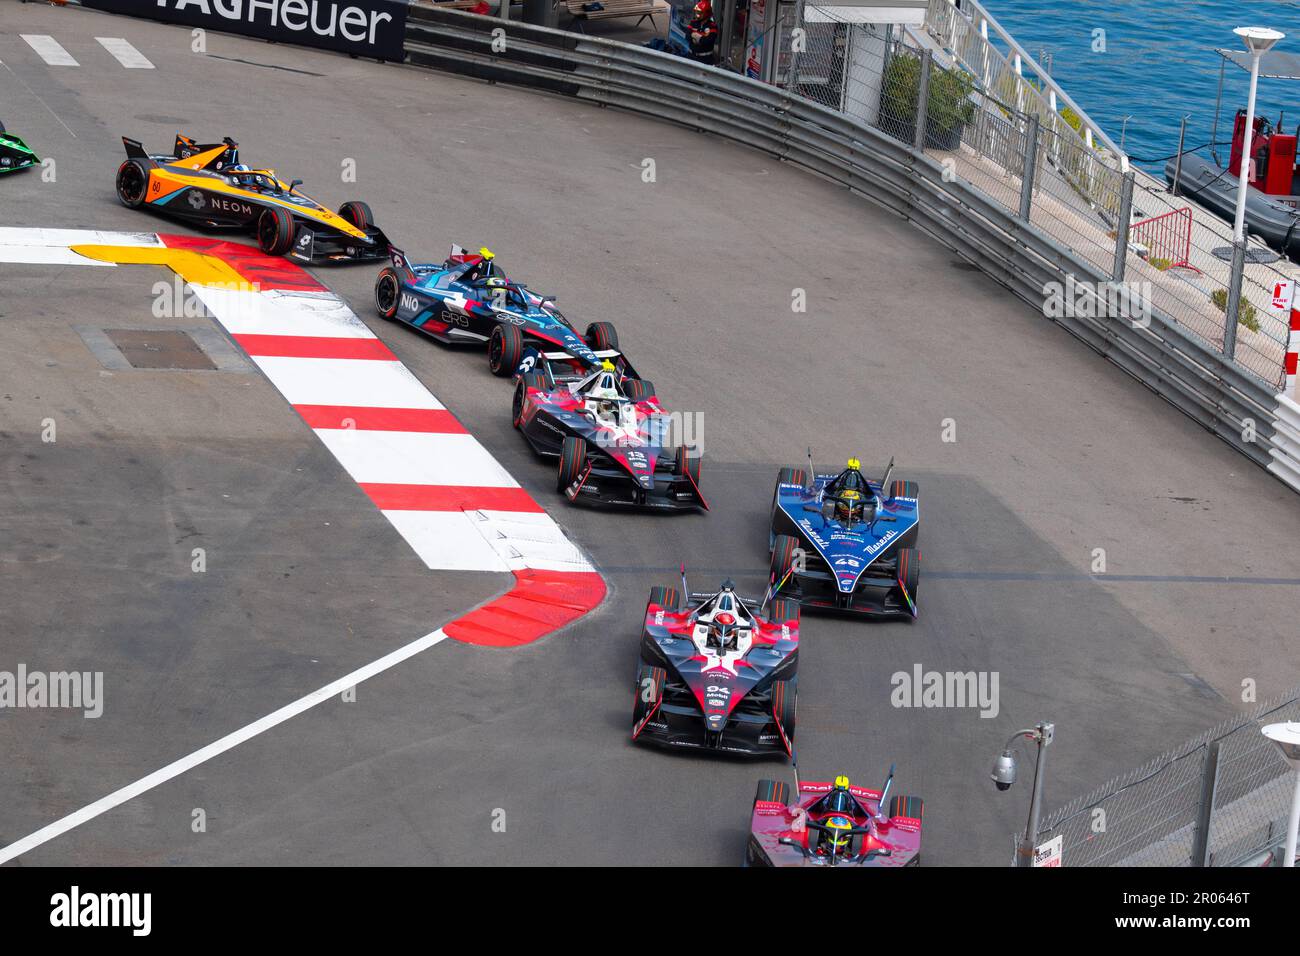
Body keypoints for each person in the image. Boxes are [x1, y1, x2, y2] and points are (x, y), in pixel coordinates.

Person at [687, 0, 719, 64]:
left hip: (705, 60)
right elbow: (687, 36)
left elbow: (708, 41)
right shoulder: (693, 23)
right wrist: (701, 38)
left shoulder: (712, 26)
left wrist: (695, 36)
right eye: (696, 12)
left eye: (699, 13)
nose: (697, 15)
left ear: (706, 13)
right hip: (691, 57)